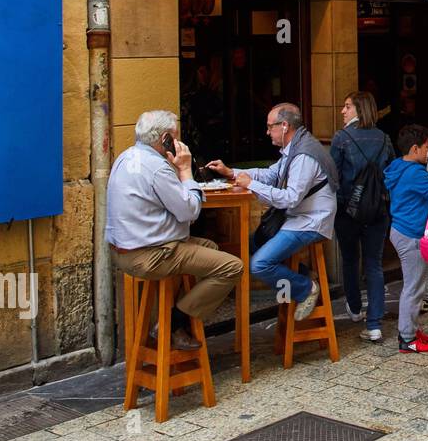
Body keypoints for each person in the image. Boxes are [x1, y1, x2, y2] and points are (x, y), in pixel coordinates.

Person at [107, 110, 243, 350]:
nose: (180, 143)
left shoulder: (125, 157)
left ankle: (177, 323)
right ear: (165, 139)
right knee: (232, 267)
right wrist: (185, 170)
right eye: (176, 137)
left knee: (210, 247)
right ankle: (172, 322)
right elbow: (190, 211)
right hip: (152, 254)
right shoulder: (158, 168)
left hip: (126, 251)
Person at [207, 104, 337, 324]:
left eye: (270, 127)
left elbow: (290, 198)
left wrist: (252, 186)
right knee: (251, 245)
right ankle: (303, 276)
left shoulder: (304, 155)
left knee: (260, 264)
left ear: (284, 126)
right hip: (296, 218)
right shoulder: (294, 148)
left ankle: (306, 288)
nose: (267, 132)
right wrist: (231, 172)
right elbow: (270, 174)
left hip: (310, 221)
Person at [329, 91, 395, 341]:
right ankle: (374, 322)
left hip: (348, 209)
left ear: (359, 109)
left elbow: (332, 177)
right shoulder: (384, 138)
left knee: (349, 259)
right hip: (377, 209)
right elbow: (390, 171)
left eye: (347, 106)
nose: (342, 111)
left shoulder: (341, 138)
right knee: (374, 264)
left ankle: (355, 308)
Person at [384, 124, 428, 353]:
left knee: (416, 283)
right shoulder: (417, 173)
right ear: (415, 148)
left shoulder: (397, 166)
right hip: (412, 235)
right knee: (413, 287)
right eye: (427, 147)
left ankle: (412, 328)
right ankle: (407, 338)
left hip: (401, 230)